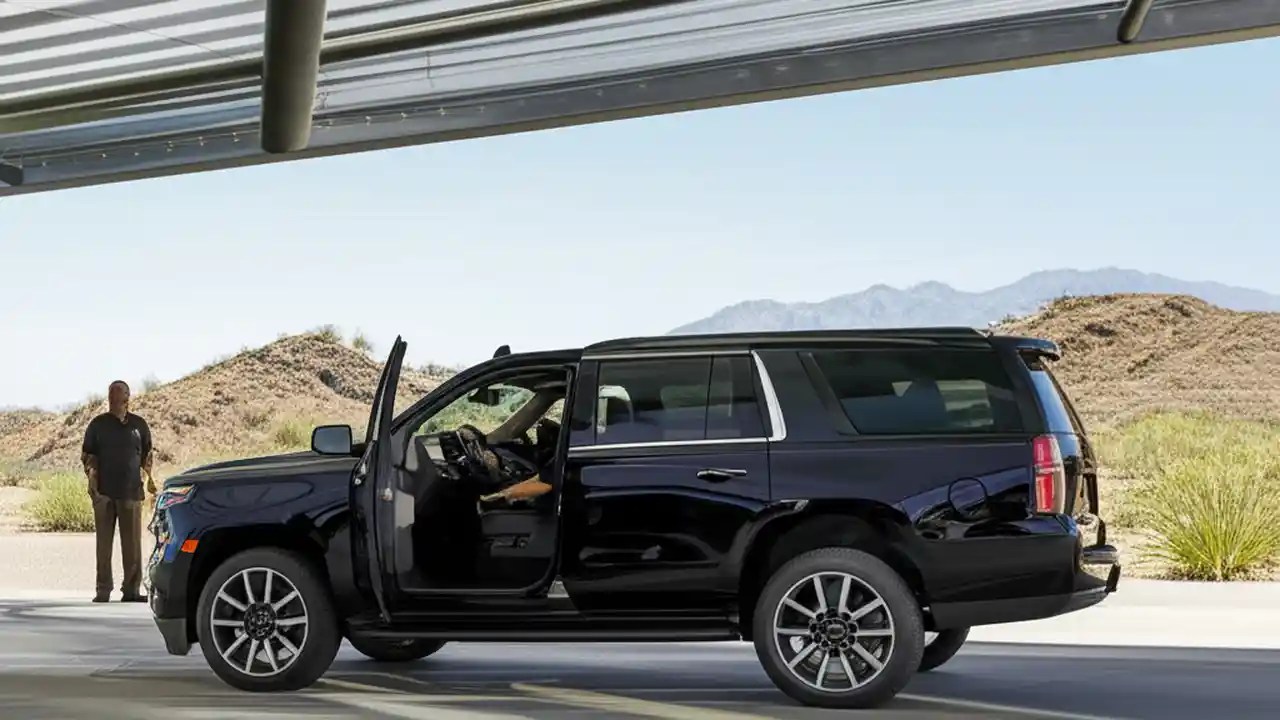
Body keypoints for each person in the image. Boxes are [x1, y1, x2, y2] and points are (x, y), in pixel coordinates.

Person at [81, 380, 155, 603]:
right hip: (103, 493)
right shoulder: (98, 424)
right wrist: (92, 479)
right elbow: (87, 454)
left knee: (132, 544)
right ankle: (103, 589)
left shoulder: (138, 425)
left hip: (131, 491)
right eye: (111, 396)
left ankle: (131, 590)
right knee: (103, 545)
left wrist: (148, 478)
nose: (114, 400)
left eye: (118, 396)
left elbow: (147, 455)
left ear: (127, 399)